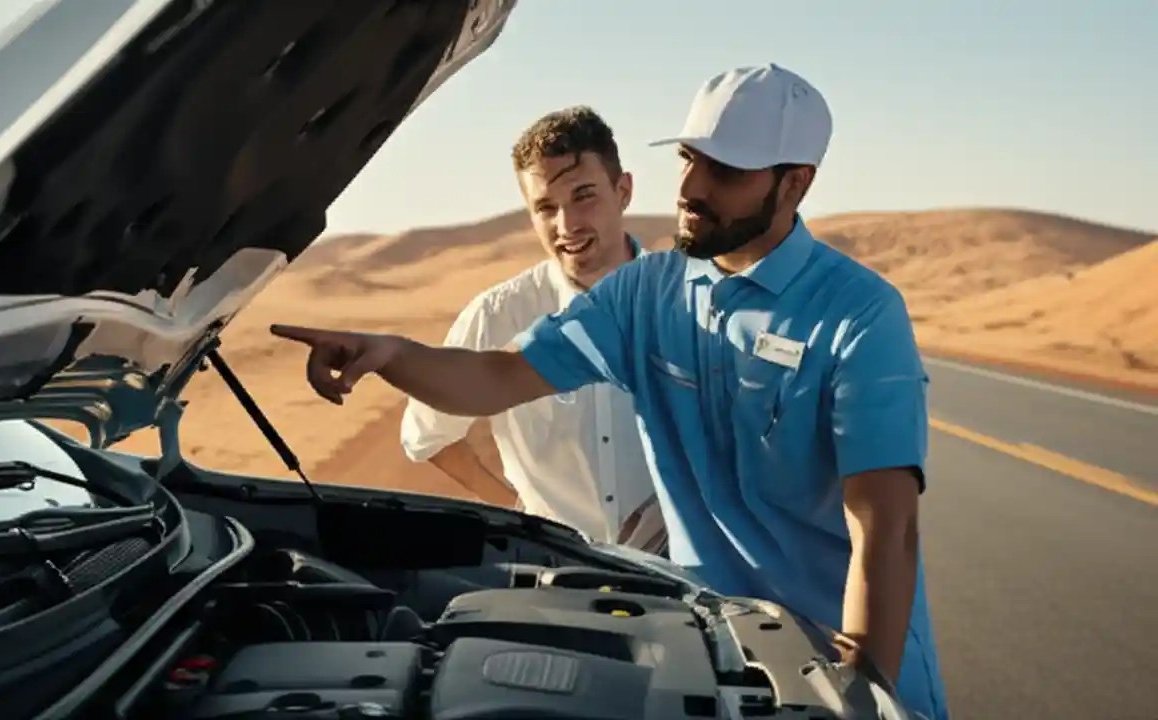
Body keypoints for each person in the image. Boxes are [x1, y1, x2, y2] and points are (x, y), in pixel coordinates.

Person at [269, 63, 949, 719]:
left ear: (795, 183)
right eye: (688, 159)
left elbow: (885, 529)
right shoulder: (644, 292)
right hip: (709, 654)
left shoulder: (860, 314)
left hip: (840, 659)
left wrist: (858, 692)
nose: (691, 188)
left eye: (725, 171)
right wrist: (391, 354)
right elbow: (495, 378)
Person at [399, 106, 666, 554]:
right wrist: (517, 512)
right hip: (557, 569)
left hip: (683, 569)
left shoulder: (687, 298)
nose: (567, 225)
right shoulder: (497, 316)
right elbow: (427, 435)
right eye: (546, 207)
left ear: (623, 191)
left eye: (583, 196)